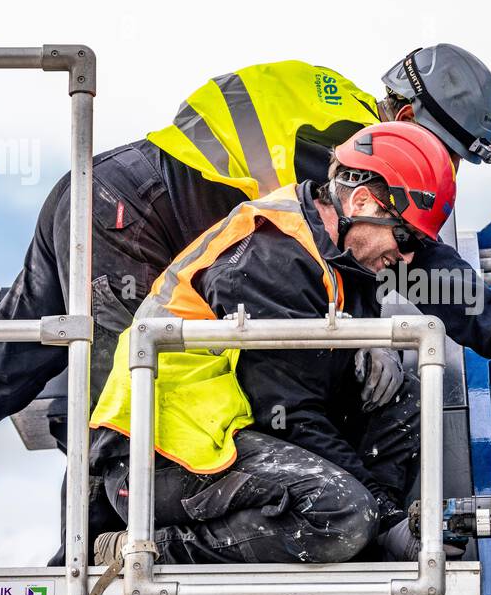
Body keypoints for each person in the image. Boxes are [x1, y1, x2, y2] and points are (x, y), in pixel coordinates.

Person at [0, 46, 491, 564]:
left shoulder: (321, 98)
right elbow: (394, 252)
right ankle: (80, 574)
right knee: (126, 417)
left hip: (99, 198)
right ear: (410, 121)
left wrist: (485, 331)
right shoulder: (347, 140)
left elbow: (380, 255)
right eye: (442, 156)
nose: (436, 181)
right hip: (127, 225)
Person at [89, 122, 457, 564]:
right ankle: (144, 550)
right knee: (343, 514)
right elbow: (289, 414)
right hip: (160, 454)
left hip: (229, 429)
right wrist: (380, 514)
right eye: (405, 238)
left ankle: (372, 536)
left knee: (403, 396)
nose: (408, 257)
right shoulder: (273, 258)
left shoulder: (331, 250)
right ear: (361, 201)